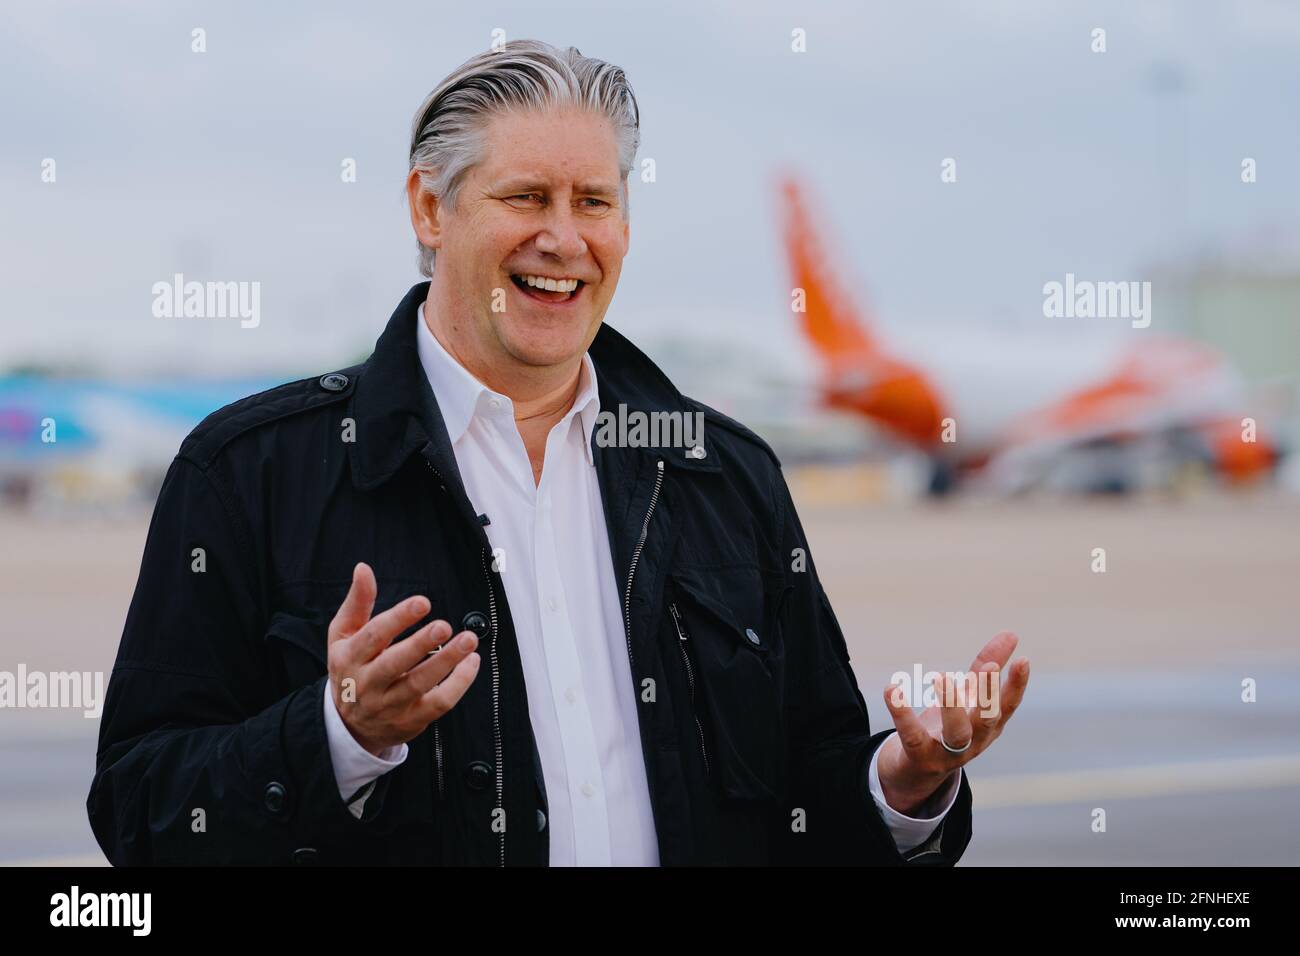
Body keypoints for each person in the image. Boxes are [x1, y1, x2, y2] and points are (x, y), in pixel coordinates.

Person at [88, 39, 1030, 866]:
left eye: (594, 201)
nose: (564, 239)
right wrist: (340, 737)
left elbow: (808, 805)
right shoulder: (249, 473)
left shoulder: (724, 474)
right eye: (526, 196)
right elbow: (140, 813)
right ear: (429, 208)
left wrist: (904, 783)